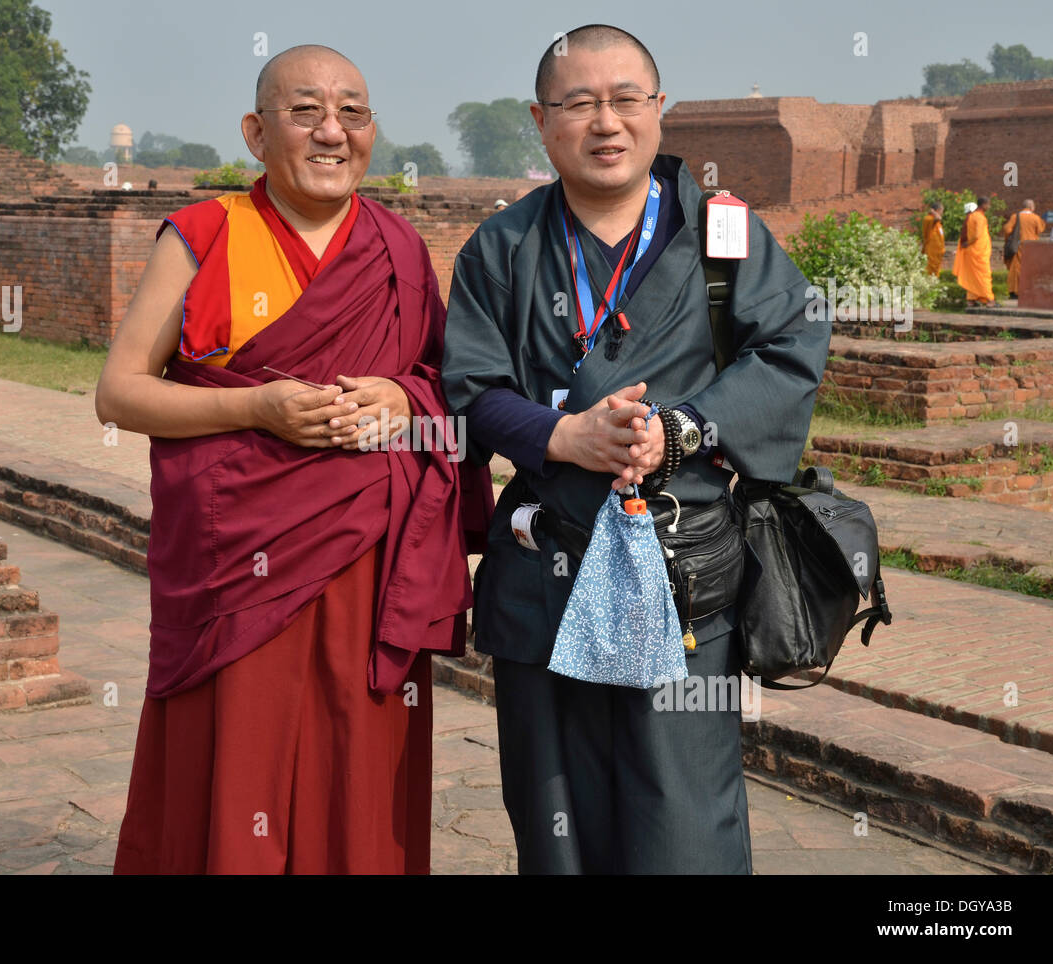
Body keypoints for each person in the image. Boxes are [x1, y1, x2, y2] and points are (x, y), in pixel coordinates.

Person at [441, 24, 830, 874]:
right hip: (546, 565)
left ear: (660, 111)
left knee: (683, 825)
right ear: (542, 121)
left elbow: (793, 345)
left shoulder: (723, 234)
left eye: (626, 100)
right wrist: (563, 435)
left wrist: (683, 429)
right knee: (558, 825)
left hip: (684, 572)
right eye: (579, 103)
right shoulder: (501, 248)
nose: (605, 122)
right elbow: (468, 394)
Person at [97, 43, 490, 874]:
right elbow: (121, 394)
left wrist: (403, 401)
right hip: (240, 566)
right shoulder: (204, 235)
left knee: (359, 761)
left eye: (353, 111)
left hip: (368, 568)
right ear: (255, 131)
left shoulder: (398, 249)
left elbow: (452, 404)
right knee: (239, 754)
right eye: (305, 109)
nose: (332, 131)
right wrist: (255, 407)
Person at [953, 197, 995, 306]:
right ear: (984, 205)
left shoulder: (971, 216)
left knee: (972, 276)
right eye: (988, 205)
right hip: (978, 251)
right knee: (983, 275)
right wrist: (969, 242)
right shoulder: (979, 217)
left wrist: (967, 243)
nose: (989, 207)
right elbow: (976, 235)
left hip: (973, 251)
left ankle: (971, 300)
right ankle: (989, 299)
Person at [1003, 198, 1046, 298]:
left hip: (1018, 246)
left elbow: (1007, 229)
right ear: (1031, 207)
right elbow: (1040, 230)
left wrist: (1008, 240)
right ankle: (1028, 290)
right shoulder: (1036, 218)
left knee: (1016, 269)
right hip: (1032, 247)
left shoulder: (1015, 216)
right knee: (1030, 269)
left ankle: (1014, 292)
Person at [920, 201, 945, 276]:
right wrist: (933, 212)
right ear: (937, 210)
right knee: (929, 273)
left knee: (936, 274)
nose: (942, 213)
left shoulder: (938, 224)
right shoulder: (928, 219)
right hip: (931, 251)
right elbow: (938, 218)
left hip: (938, 253)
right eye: (941, 211)